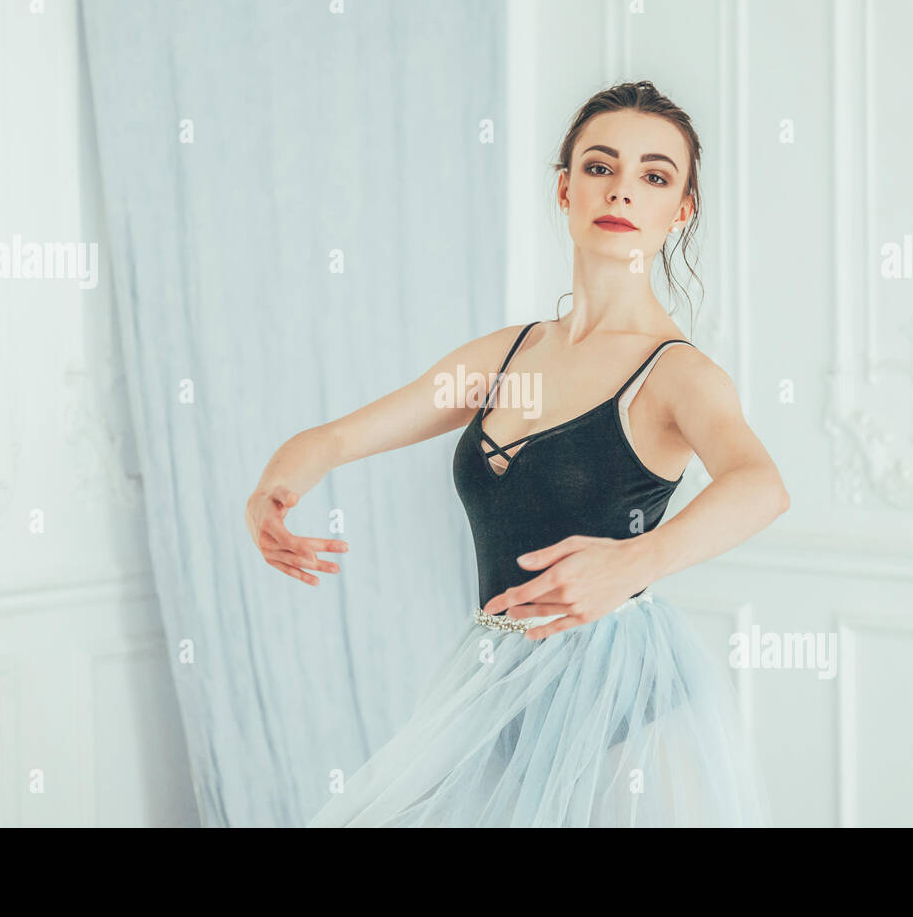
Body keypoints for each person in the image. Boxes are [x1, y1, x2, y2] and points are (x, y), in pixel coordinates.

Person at [245, 81, 788, 826]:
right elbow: (335, 439)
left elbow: (760, 486)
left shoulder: (676, 374)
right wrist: (275, 488)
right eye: (600, 166)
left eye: (654, 176)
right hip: (496, 680)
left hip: (621, 704)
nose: (622, 189)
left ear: (680, 210)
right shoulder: (505, 357)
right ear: (566, 189)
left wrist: (633, 564)